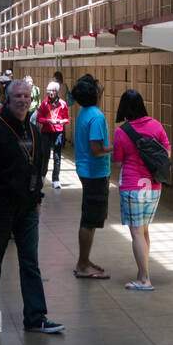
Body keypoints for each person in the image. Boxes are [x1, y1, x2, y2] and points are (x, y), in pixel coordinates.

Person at [0, 79, 64, 334]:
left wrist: (38, 199)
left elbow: (37, 168)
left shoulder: (33, 131)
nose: (22, 100)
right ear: (7, 100)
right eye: (17, 97)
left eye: (26, 96)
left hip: (27, 208)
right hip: (0, 207)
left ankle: (36, 316)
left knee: (30, 261)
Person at [112, 89, 169, 291]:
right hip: (154, 186)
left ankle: (144, 279)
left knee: (136, 232)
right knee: (144, 230)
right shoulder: (156, 125)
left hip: (132, 186)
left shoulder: (122, 132)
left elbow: (118, 161)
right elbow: (166, 154)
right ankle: (142, 271)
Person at [70, 73, 111, 279]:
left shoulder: (86, 111)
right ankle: (82, 264)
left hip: (87, 170)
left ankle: (85, 260)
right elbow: (96, 149)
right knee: (89, 220)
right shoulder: (97, 117)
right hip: (95, 172)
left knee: (91, 219)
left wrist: (98, 93)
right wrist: (115, 148)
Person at [36, 81, 70, 189]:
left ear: (57, 92)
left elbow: (67, 119)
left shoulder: (63, 104)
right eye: (49, 90)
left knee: (57, 156)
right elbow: (38, 118)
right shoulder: (44, 103)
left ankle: (56, 179)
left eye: (53, 91)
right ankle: (42, 176)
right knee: (45, 155)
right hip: (46, 131)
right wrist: (48, 120)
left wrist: (61, 122)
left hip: (58, 131)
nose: (51, 93)